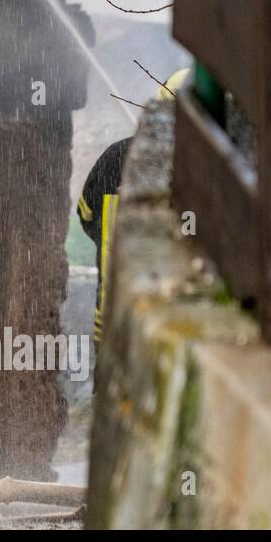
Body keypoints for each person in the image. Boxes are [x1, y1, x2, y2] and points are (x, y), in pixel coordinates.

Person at [78, 68, 190, 346]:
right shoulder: (198, 173)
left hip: (110, 320)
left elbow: (86, 214)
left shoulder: (114, 157)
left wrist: (109, 240)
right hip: (167, 325)